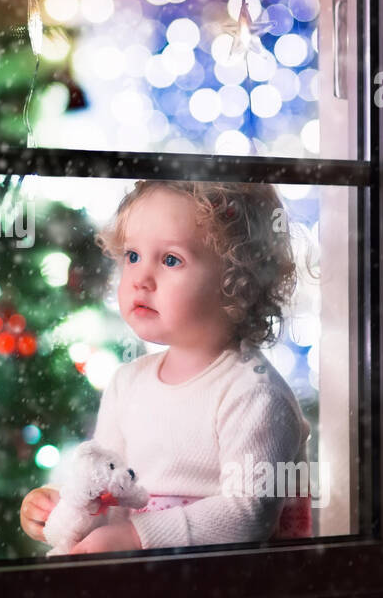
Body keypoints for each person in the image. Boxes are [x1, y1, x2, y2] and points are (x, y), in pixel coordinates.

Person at [20, 179, 312, 554]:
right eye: (132, 256)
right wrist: (63, 506)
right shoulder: (128, 383)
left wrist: (135, 537)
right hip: (138, 583)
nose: (140, 278)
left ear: (238, 281)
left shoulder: (253, 394)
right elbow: (106, 489)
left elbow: (249, 514)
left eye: (171, 259)